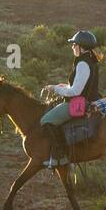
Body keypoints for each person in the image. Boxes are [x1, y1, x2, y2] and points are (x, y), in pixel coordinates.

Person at [41, 30, 101, 168]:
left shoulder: (82, 64)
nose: (72, 47)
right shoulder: (90, 60)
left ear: (81, 47)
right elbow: (80, 86)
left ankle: (60, 156)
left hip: (78, 103)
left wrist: (55, 89)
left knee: (46, 120)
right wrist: (65, 86)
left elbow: (75, 91)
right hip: (87, 99)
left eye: (74, 45)